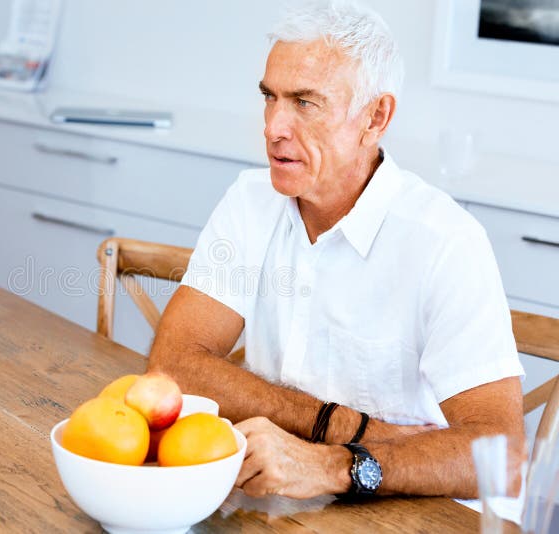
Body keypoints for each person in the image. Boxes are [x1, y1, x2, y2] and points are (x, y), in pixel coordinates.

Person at [147, 0, 526, 500]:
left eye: (305, 103)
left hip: (407, 514)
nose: (273, 127)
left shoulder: (444, 241)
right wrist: (339, 424)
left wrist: (333, 465)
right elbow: (174, 365)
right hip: (269, 499)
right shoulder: (250, 200)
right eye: (270, 98)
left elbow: (501, 457)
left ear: (375, 117)